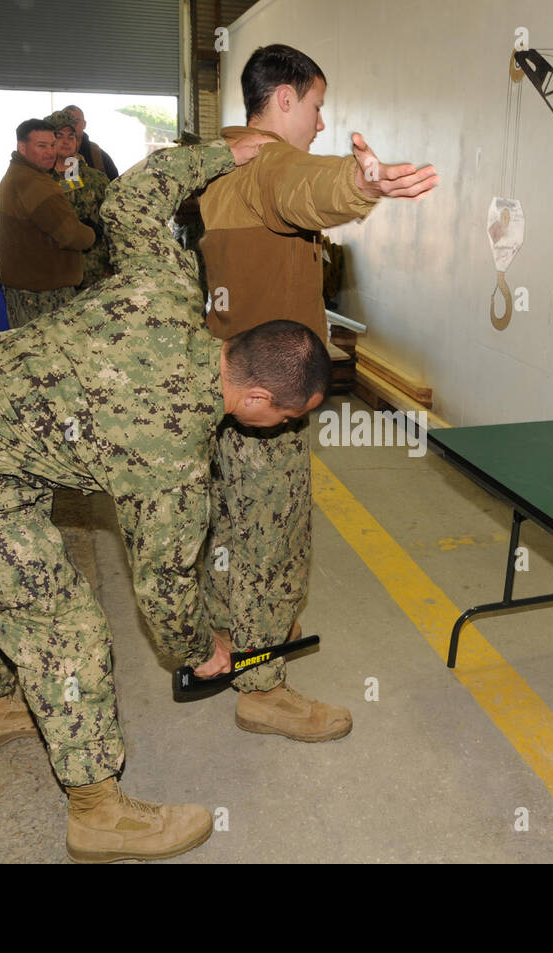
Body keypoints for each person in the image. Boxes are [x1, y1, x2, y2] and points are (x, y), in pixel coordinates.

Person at [0, 135, 320, 862]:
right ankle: (96, 808)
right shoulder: (173, 454)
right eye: (287, 418)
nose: (283, 429)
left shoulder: (170, 286)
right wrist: (201, 647)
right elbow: (164, 587)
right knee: (66, 623)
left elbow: (130, 198)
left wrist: (222, 152)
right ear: (258, 396)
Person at [197, 43, 439, 741]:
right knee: (270, 541)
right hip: (267, 404)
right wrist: (362, 184)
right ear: (283, 99)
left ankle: (240, 631)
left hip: (228, 382)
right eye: (316, 104)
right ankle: (263, 684)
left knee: (227, 530)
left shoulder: (218, 160)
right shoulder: (267, 164)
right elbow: (306, 186)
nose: (322, 121)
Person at [0, 118, 95, 328]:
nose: (50, 151)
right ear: (22, 147)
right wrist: (92, 233)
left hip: (30, 287)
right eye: (41, 146)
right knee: (49, 355)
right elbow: (70, 235)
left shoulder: (21, 175)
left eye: (52, 145)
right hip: (42, 293)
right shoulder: (33, 182)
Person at [45, 109, 110, 288]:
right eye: (59, 136)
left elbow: (111, 225)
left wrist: (111, 264)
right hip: (54, 275)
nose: (66, 141)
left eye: (71, 136)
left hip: (93, 275)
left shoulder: (96, 179)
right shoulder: (39, 180)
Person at [61, 105, 119, 180]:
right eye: (67, 121)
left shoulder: (97, 155)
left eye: (76, 121)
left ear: (84, 124)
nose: (72, 125)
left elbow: (114, 185)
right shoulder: (51, 154)